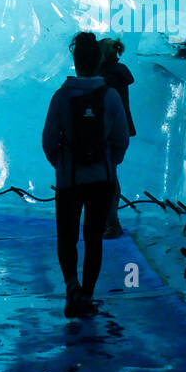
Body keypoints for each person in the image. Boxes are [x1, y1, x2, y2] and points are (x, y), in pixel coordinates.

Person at [42, 32, 129, 318]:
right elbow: (121, 139)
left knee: (66, 237)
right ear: (99, 61)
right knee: (93, 238)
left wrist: (62, 162)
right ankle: (88, 295)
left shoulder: (61, 96)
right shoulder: (111, 95)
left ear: (75, 61)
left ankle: (71, 288)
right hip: (101, 179)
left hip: (70, 179)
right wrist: (109, 162)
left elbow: (48, 139)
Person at [98, 37, 136, 238]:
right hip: (120, 131)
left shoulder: (107, 76)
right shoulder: (118, 73)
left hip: (109, 133)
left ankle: (112, 223)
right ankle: (109, 222)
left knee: (108, 178)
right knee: (110, 175)